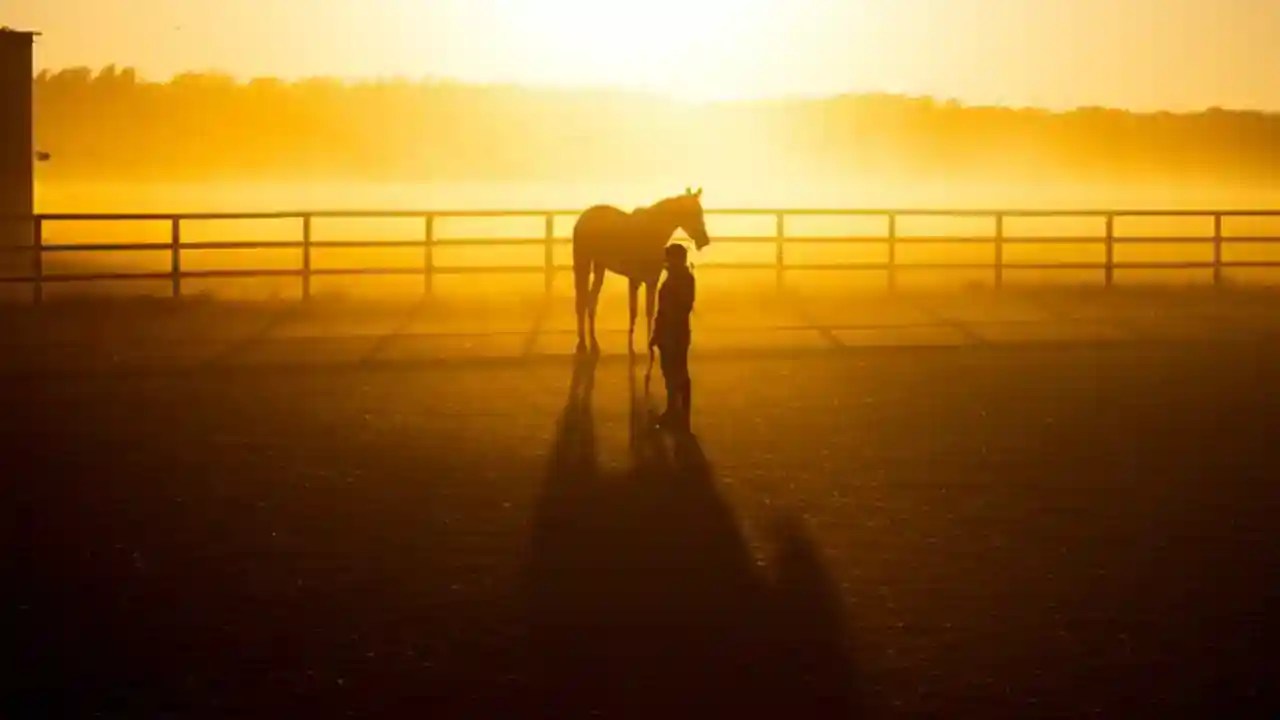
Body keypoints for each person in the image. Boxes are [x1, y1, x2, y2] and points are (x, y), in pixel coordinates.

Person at [649, 243, 696, 431]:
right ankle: (677, 411)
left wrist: (660, 331)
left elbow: (673, 309)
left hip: (673, 332)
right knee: (673, 371)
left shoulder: (678, 279)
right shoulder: (681, 278)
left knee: (676, 371)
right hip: (676, 331)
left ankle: (679, 412)